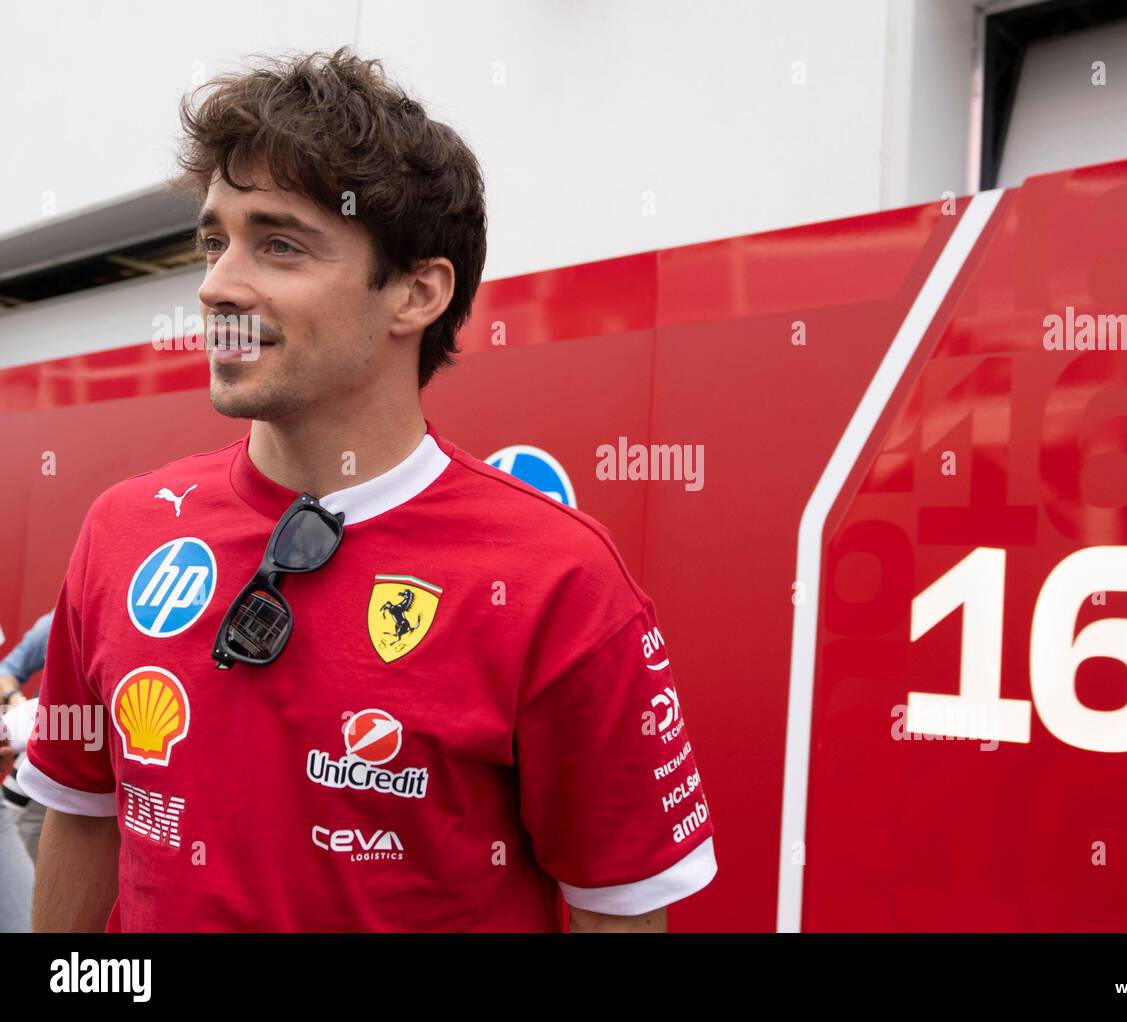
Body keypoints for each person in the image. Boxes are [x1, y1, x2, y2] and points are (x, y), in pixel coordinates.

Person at [20, 47, 716, 933]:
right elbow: (83, 814)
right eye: (213, 241)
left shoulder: (558, 579)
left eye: (278, 244)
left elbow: (619, 912)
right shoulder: (122, 530)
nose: (216, 286)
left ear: (417, 293)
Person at [0, 610, 53, 862]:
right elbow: (7, 670)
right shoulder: (57, 620)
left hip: (100, 783)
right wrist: (14, 699)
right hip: (37, 762)